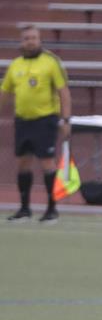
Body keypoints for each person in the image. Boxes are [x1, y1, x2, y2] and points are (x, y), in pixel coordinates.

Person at [2, 25, 70, 223]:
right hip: (23, 120)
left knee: (47, 162)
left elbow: (64, 92)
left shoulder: (51, 63)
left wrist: (65, 119)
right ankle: (24, 209)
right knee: (23, 163)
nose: (30, 41)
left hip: (45, 119)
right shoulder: (15, 65)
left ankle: (51, 209)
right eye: (26, 38)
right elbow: (5, 92)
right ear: (21, 42)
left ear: (40, 40)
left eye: (34, 38)